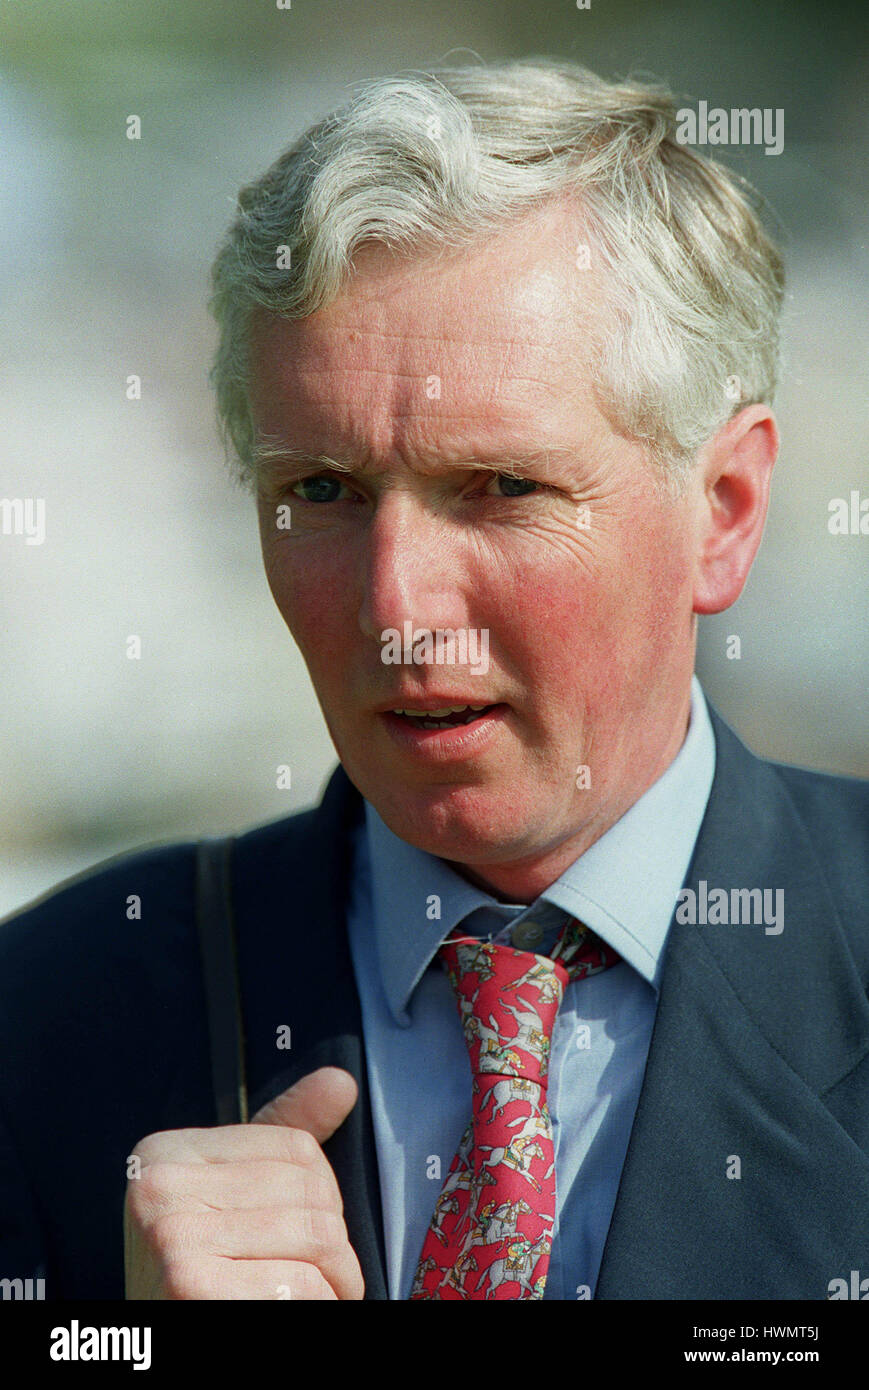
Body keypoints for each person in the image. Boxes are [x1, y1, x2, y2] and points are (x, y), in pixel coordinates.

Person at [1, 58, 867, 1303]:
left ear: (721, 513)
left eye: (502, 489)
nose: (395, 606)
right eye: (321, 492)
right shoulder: (45, 1030)